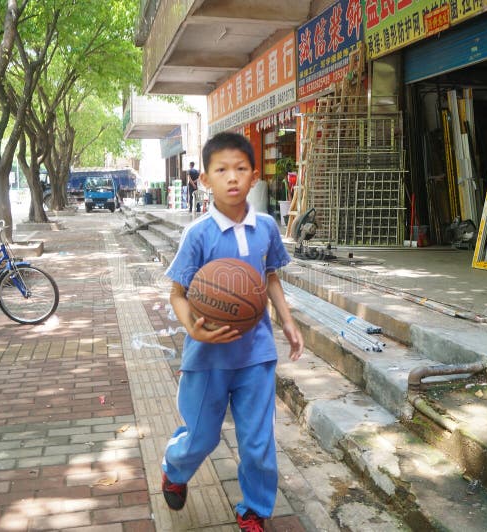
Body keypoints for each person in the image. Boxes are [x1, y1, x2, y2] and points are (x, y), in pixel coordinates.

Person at [162, 132, 304, 531]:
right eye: (221, 170)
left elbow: (270, 277)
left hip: (256, 354)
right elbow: (177, 292)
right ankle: (174, 468)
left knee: (258, 444)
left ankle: (254, 510)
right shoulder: (198, 234)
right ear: (204, 179)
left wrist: (288, 323)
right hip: (208, 357)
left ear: (255, 176)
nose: (232, 178)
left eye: (241, 169)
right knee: (201, 438)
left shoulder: (266, 227)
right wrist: (194, 329)